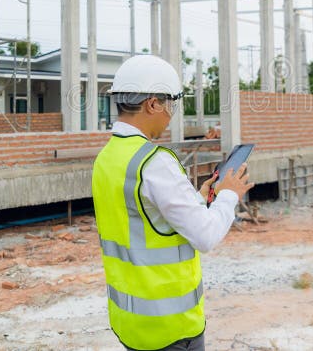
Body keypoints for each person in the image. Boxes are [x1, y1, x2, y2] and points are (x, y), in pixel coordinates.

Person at [92, 54, 254, 351]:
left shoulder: (107, 158)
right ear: (153, 104)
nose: (171, 115)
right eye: (171, 105)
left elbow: (144, 220)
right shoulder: (154, 162)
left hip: (131, 323)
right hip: (171, 329)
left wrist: (198, 198)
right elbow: (205, 236)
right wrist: (229, 194)